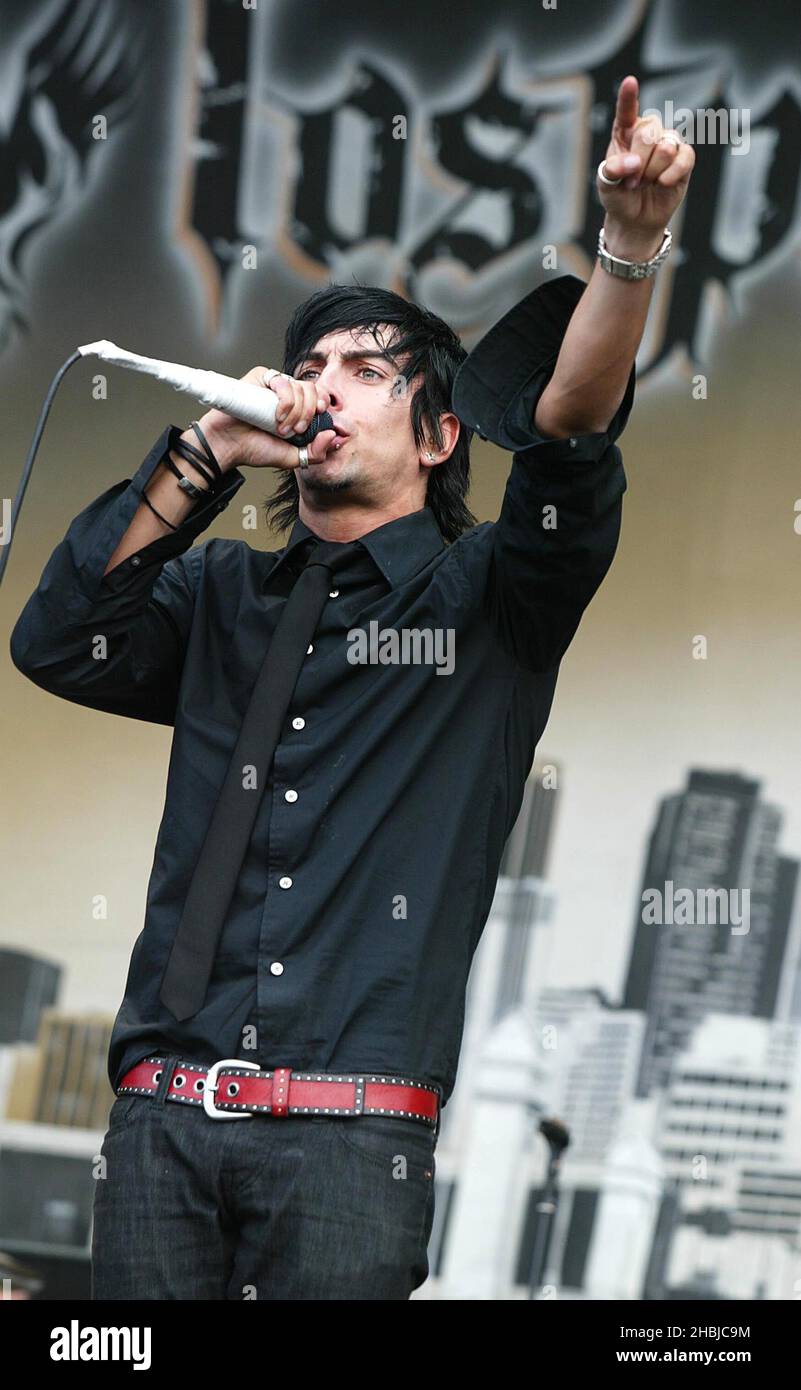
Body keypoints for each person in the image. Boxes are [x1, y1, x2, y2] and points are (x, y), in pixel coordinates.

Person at [8, 77, 693, 1300]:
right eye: (307, 362)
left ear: (437, 436)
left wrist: (628, 248)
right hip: (159, 1126)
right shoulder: (222, 593)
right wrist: (210, 449)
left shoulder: (492, 598)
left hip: (348, 1145)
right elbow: (63, 636)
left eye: (365, 368)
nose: (322, 382)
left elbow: (569, 434)